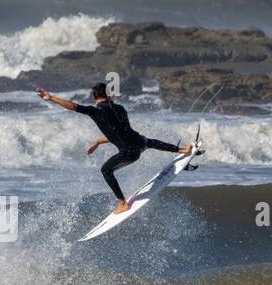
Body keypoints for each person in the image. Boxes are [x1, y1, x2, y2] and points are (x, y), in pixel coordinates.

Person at [38, 83, 191, 214]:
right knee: (145, 140)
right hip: (139, 145)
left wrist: (51, 98)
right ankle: (182, 150)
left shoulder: (95, 111)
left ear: (94, 98)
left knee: (105, 170)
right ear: (108, 95)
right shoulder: (120, 108)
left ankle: (122, 203)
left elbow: (73, 106)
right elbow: (120, 132)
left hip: (128, 154)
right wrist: (98, 141)